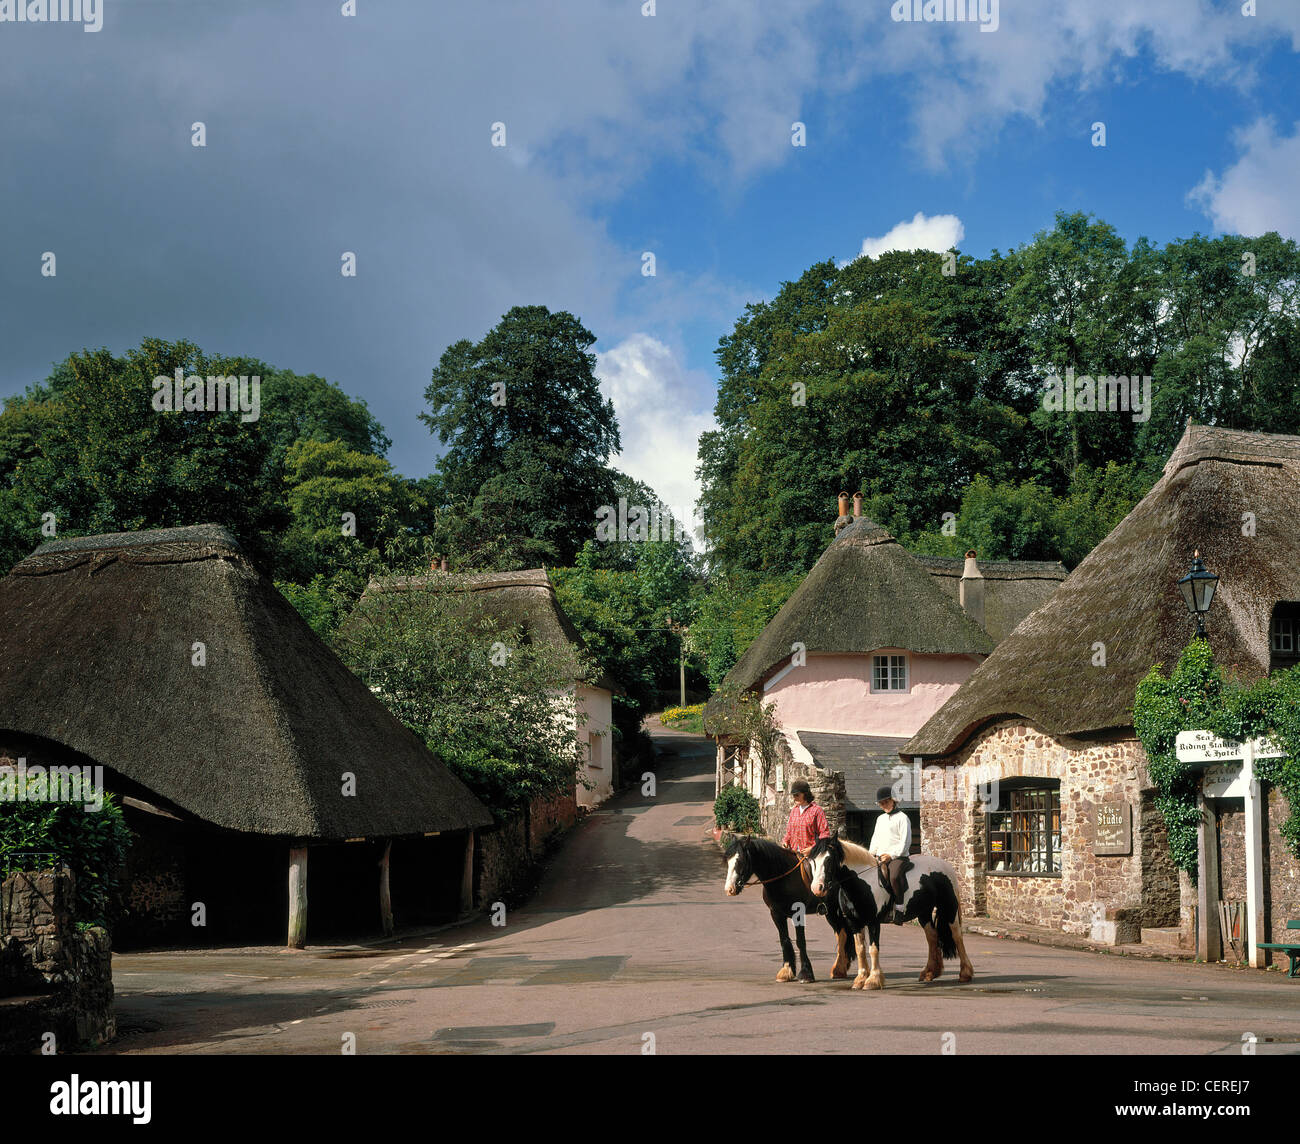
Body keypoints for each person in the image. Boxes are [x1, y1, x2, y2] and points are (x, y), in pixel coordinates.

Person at [869, 785, 912, 924]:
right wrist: (871, 854)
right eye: (881, 803)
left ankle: (899, 909)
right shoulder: (880, 819)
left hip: (899, 857)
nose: (884, 805)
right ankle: (883, 908)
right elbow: (875, 839)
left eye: (886, 802)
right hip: (880, 857)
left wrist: (891, 856)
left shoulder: (902, 818)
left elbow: (905, 842)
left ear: (893, 800)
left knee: (893, 876)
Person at [781, 780, 829, 857]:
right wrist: (785, 842)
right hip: (793, 854)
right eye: (793, 795)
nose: (794, 798)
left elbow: (824, 835)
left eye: (797, 795)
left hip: (811, 856)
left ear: (805, 794)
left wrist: (812, 849)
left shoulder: (817, 811)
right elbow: (789, 832)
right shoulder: (794, 810)